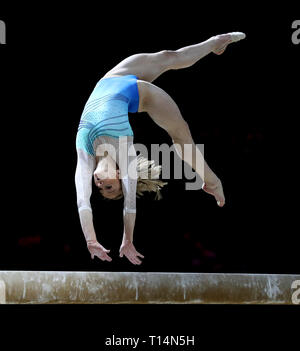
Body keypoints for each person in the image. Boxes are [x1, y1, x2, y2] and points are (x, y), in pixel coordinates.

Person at [75, 32, 246, 265]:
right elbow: (130, 206)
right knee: (181, 136)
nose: (98, 184)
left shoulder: (84, 149)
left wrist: (90, 239)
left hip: (111, 79)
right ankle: (213, 181)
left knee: (168, 56)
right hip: (143, 95)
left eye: (101, 189)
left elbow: (83, 200)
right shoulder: (124, 153)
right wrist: (127, 240)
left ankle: (214, 43)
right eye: (109, 187)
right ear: (119, 175)